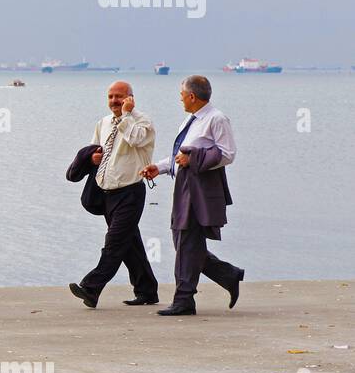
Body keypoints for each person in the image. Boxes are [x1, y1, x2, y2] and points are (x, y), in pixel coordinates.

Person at [141, 75, 245, 316]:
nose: (180, 99)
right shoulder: (191, 120)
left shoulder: (216, 119)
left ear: (192, 96)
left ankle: (184, 299)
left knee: (187, 240)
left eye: (181, 95)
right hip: (185, 185)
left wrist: (194, 158)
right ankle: (228, 274)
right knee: (183, 239)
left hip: (202, 188)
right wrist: (160, 167)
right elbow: (180, 155)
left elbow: (228, 154)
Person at [68, 81, 160, 308]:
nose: (114, 101)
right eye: (110, 96)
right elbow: (94, 149)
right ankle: (147, 290)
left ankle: (91, 288)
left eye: (119, 96)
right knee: (130, 245)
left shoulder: (142, 122)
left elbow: (136, 139)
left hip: (130, 192)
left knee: (115, 243)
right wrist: (92, 159)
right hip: (107, 193)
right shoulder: (103, 123)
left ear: (130, 98)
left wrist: (127, 115)